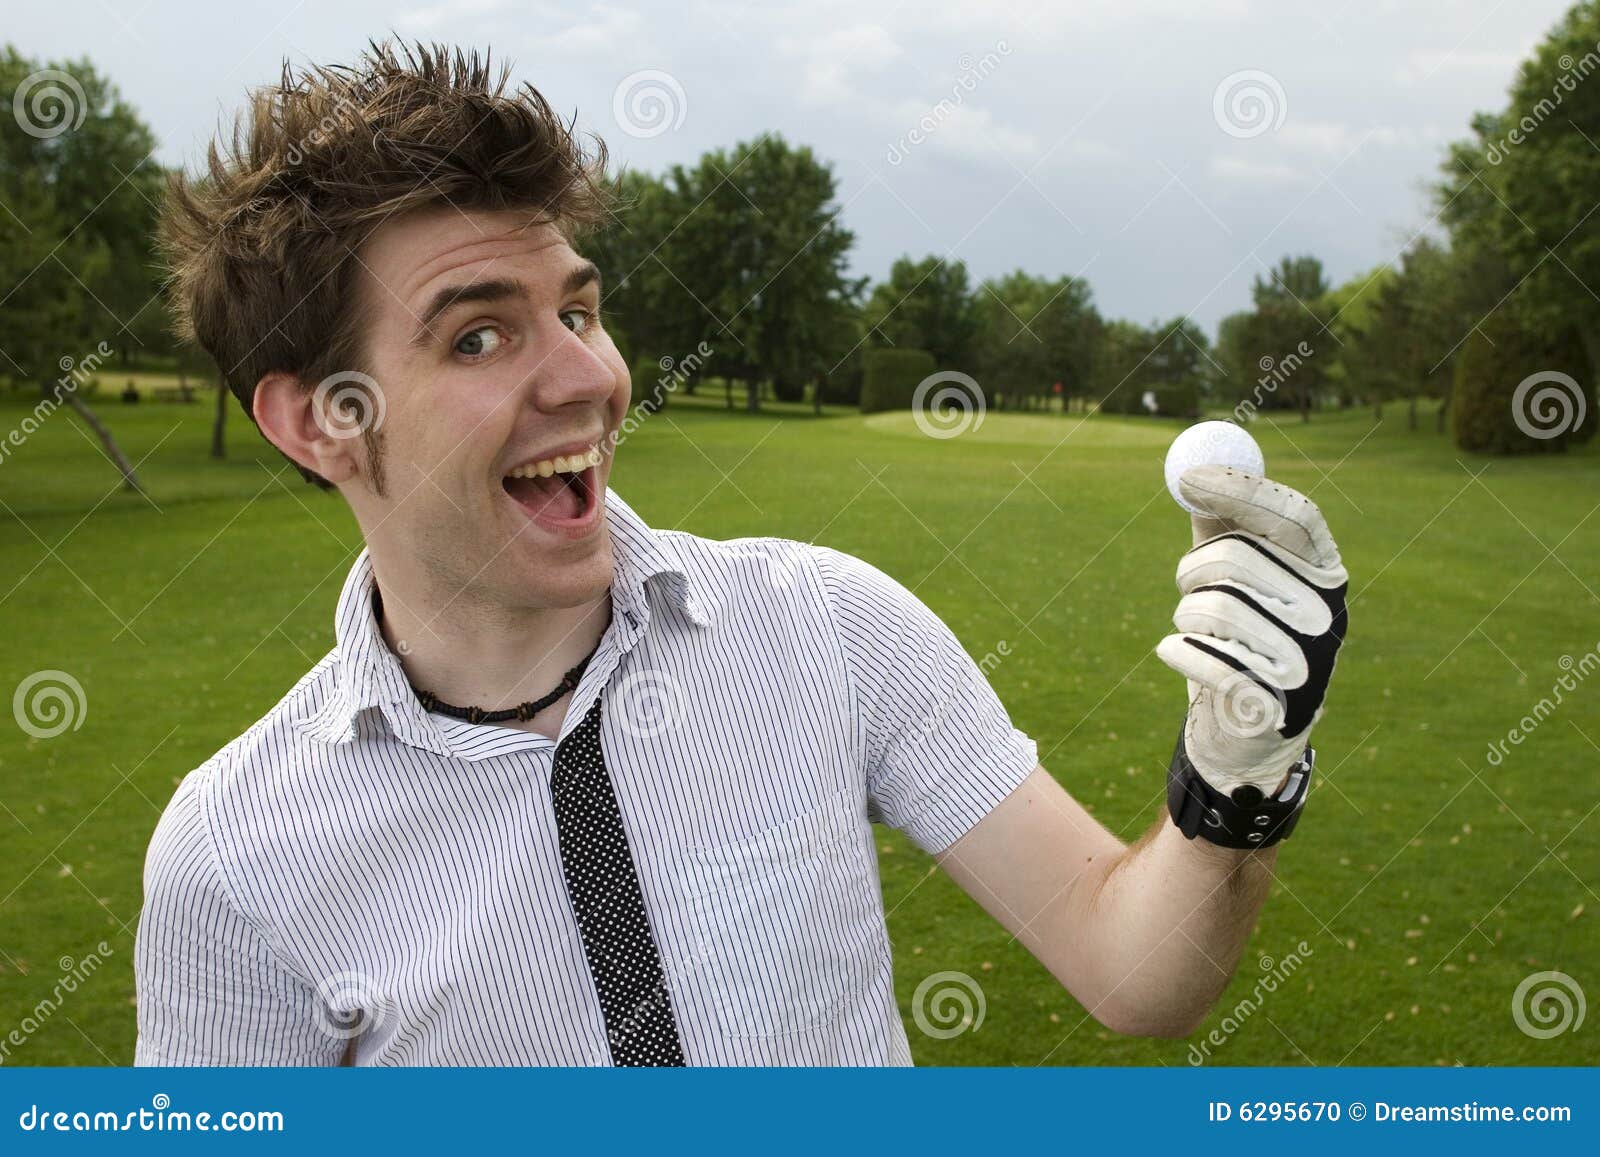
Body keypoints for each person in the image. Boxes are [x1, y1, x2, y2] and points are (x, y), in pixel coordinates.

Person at [134, 40, 1348, 1066]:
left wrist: (1234, 781)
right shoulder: (231, 859)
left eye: (578, 310)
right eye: (478, 336)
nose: (589, 377)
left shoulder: (827, 624)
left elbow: (1133, 972)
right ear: (320, 419)